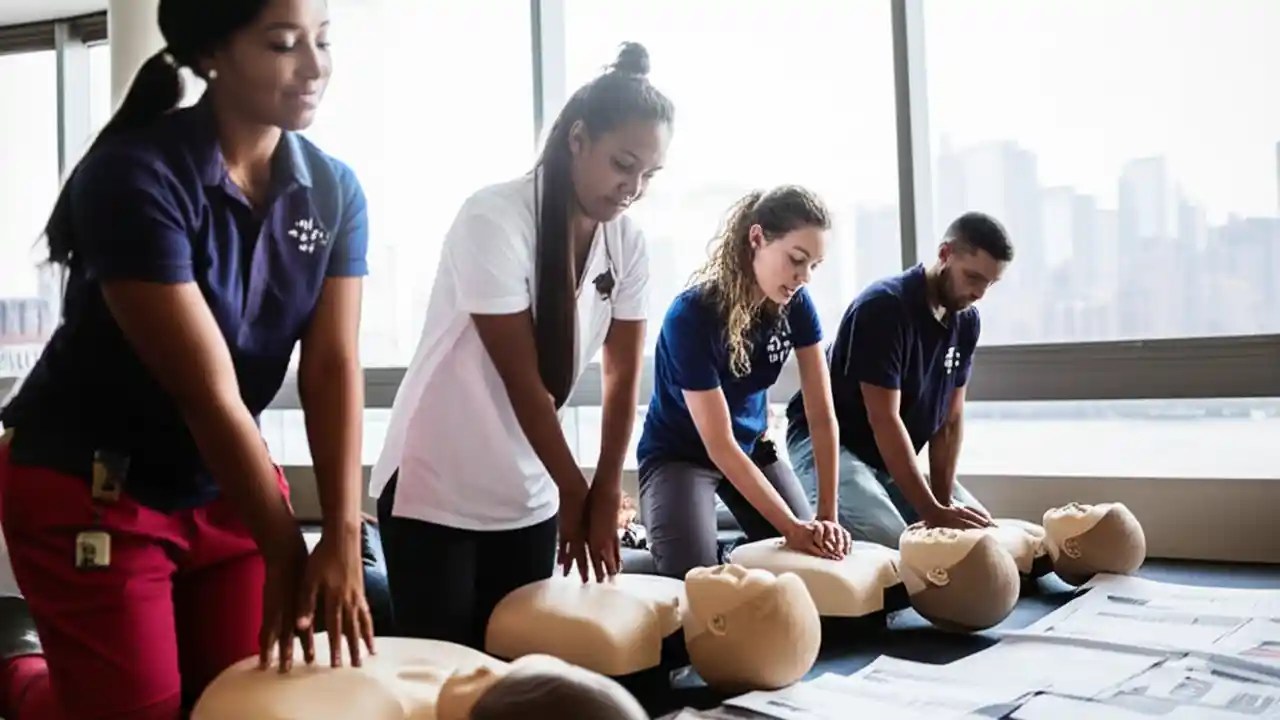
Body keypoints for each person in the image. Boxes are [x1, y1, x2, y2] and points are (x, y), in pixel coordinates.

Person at [0, 1, 374, 718]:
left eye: (323, 41)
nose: (314, 65)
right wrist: (288, 556)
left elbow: (331, 367)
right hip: (93, 483)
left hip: (223, 485)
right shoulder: (133, 176)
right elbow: (208, 394)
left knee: (243, 703)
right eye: (283, 44)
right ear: (211, 56)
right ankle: (21, 677)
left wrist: (343, 535)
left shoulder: (333, 190)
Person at [369, 42, 674, 651]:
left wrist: (607, 486)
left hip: (528, 487)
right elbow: (524, 384)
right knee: (447, 668)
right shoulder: (493, 218)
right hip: (438, 484)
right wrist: (575, 488)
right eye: (622, 164)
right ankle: (360, 570)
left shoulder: (629, 242)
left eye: (649, 175)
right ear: (578, 139)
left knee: (519, 668)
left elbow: (621, 377)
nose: (632, 188)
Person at [636, 186, 853, 580]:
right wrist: (790, 528)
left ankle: (720, 533)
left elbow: (821, 415)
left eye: (814, 266)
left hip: (751, 450)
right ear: (756, 239)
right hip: (681, 456)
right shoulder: (691, 316)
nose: (803, 278)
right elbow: (717, 444)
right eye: (796, 260)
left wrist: (826, 518)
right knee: (697, 578)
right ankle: (668, 528)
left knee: (812, 561)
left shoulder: (797, 306)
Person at [785, 212, 1014, 548]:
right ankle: (778, 506)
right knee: (896, 543)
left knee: (983, 541)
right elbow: (885, 420)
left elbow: (949, 422)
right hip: (831, 446)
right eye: (973, 277)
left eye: (989, 284)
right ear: (945, 254)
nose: (979, 293)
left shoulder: (966, 322)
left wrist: (942, 504)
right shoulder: (885, 307)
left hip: (884, 459)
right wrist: (929, 512)